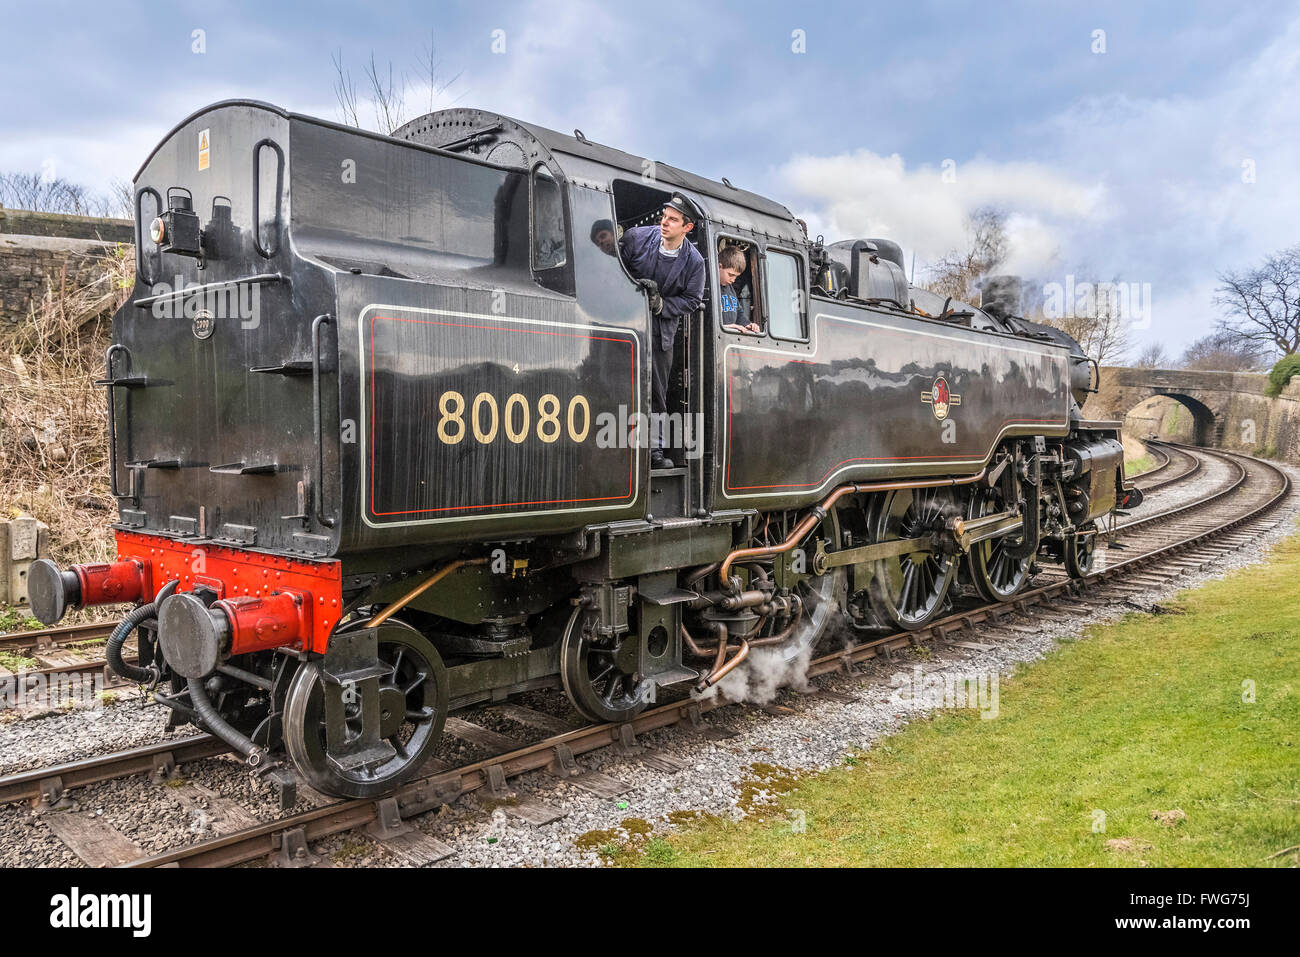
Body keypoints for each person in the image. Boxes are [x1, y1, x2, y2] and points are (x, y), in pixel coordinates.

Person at [619, 195, 705, 469]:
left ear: (687, 228)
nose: (664, 222)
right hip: (623, 324)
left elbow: (692, 300)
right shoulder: (635, 239)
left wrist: (662, 304)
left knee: (656, 392)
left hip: (660, 332)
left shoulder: (695, 262)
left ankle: (654, 452)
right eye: (665, 216)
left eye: (673, 219)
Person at [718, 244, 760, 334]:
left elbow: (738, 312)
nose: (733, 280)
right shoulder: (708, 287)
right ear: (719, 267)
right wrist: (725, 327)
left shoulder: (730, 289)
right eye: (731, 275)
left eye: (736, 277)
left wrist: (748, 324)